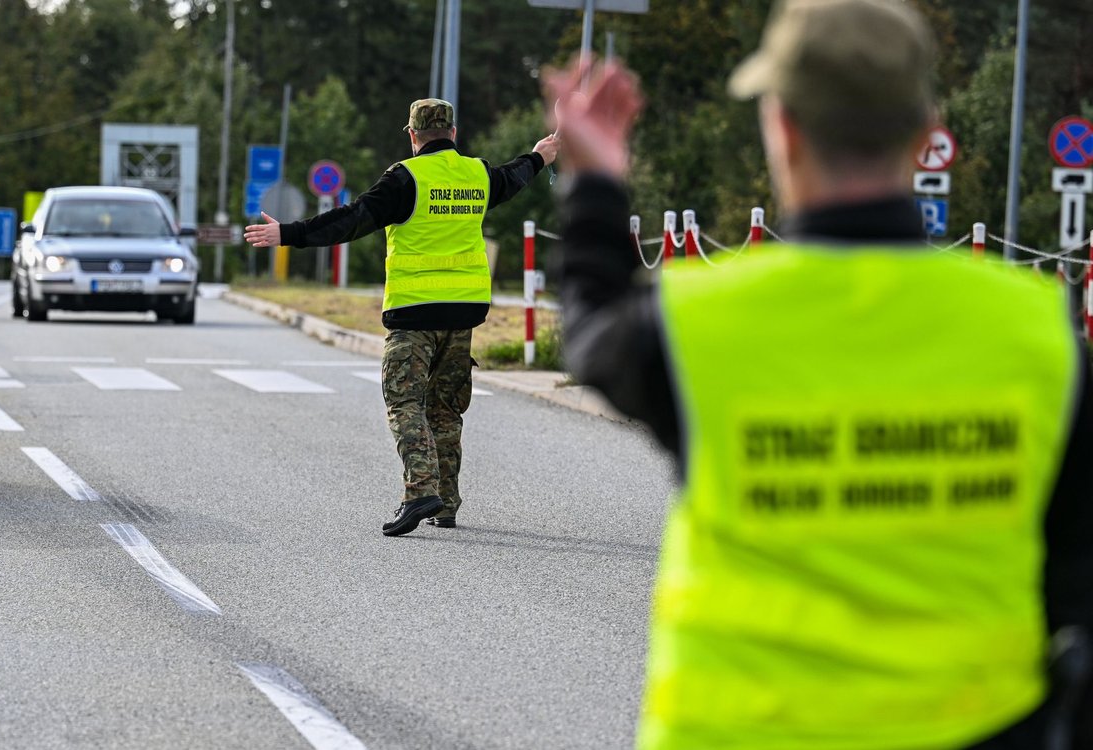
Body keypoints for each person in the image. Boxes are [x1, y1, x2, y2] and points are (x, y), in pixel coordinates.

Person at [545, 0, 1093, 747]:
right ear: (928, 131)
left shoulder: (697, 322)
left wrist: (597, 183)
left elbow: (590, 326)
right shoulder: (1040, 329)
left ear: (782, 126)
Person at [245, 98, 559, 536]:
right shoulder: (477, 173)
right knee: (445, 408)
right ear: (453, 133)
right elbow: (515, 176)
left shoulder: (404, 179)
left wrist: (289, 234)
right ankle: (446, 503)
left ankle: (420, 492)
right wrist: (541, 155)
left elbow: (351, 220)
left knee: (404, 402)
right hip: (464, 310)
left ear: (412, 135)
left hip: (413, 312)